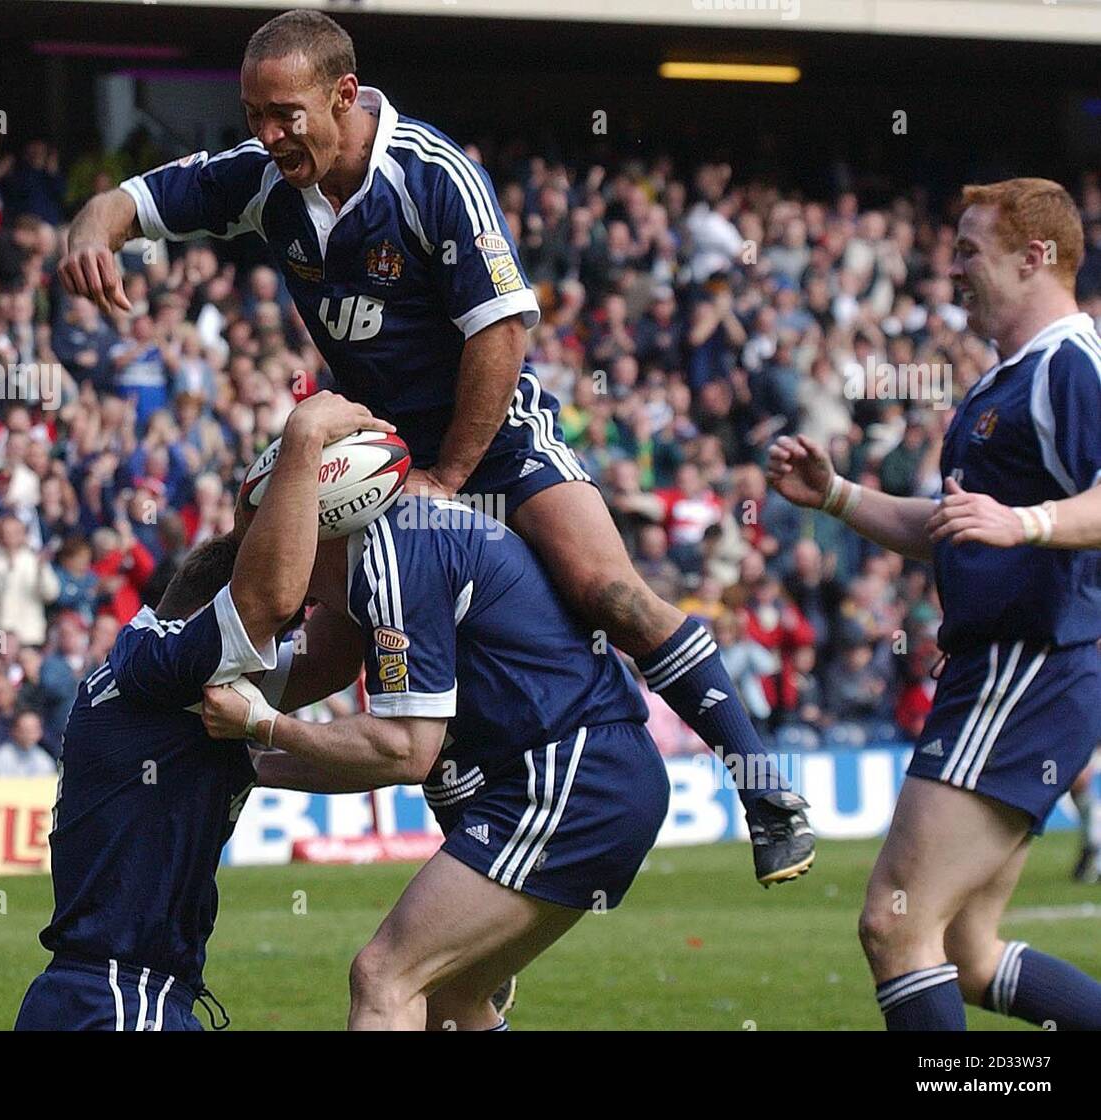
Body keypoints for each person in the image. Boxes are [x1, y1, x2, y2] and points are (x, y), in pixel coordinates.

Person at [58, 8, 813, 883]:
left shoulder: (431, 174)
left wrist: (451, 475)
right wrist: (93, 228)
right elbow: (141, 198)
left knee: (606, 589)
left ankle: (764, 787)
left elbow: (501, 333)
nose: (267, 135)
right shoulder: (265, 177)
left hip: (487, 438)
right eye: (254, 116)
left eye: (285, 114)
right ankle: (215, 727)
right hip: (374, 453)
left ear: (343, 95)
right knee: (337, 638)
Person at [767, 177, 1101, 1030]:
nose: (950, 269)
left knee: (896, 923)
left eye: (968, 252)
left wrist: (1023, 522)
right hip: (1005, 669)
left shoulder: (1071, 363)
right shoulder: (1008, 380)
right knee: (965, 952)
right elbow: (953, 528)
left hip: (1028, 666)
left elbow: (1030, 518)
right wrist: (836, 494)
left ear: (1036, 257)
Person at [202, 493, 674, 1031]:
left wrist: (260, 723)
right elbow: (384, 753)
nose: (263, 562)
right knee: (448, 1001)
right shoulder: (379, 564)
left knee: (383, 976)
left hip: (571, 775)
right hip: (585, 775)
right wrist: (253, 766)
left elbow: (404, 751)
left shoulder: (393, 556)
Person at [13, 391, 387, 1031]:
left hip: (106, 994)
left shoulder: (168, 684)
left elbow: (328, 664)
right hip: (120, 999)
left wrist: (355, 542)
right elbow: (267, 600)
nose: (276, 646)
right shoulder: (160, 659)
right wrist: (303, 438)